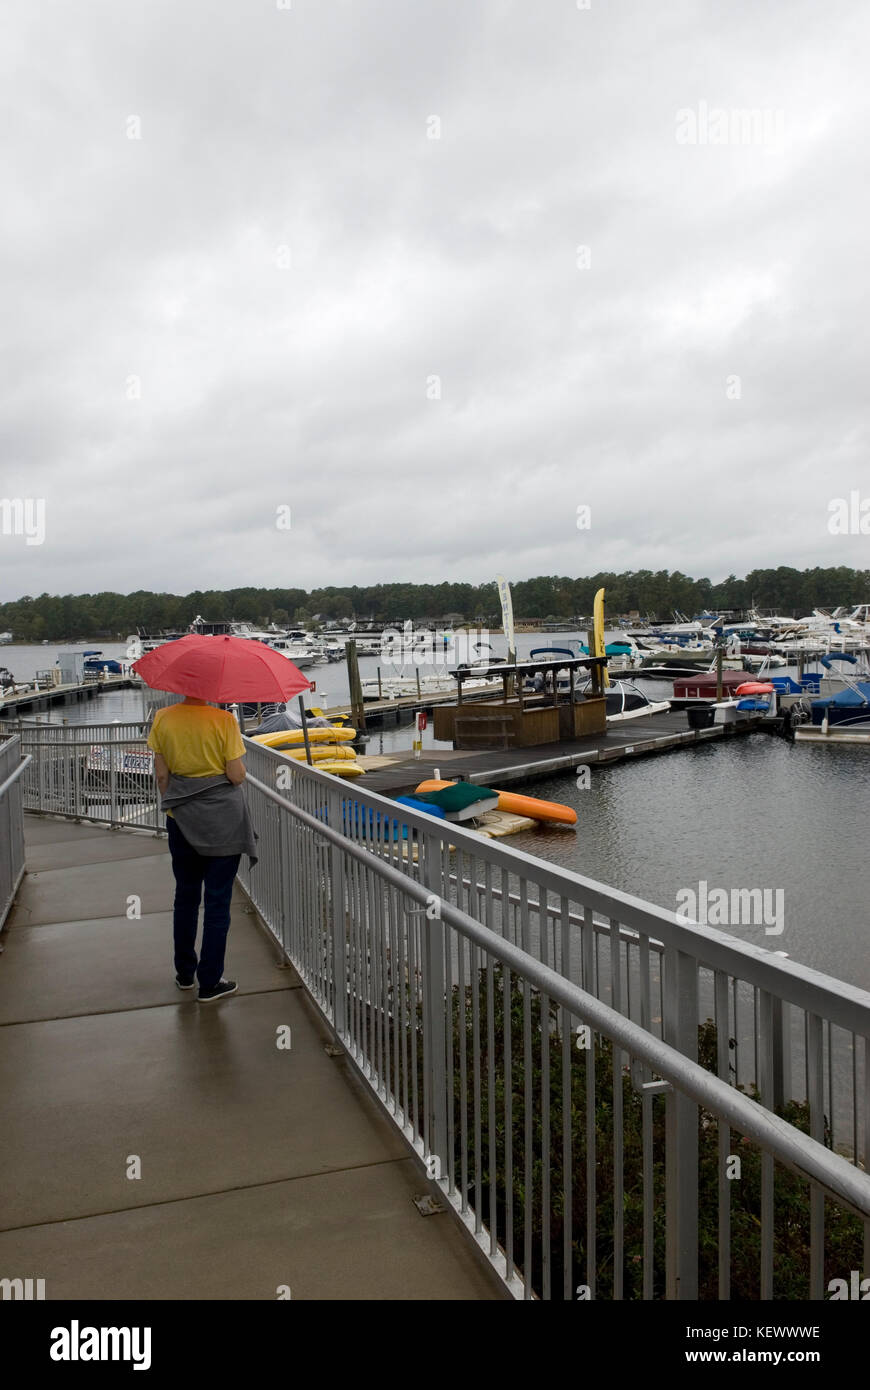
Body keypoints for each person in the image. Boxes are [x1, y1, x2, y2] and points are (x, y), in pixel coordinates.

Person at [147, 697, 257, 1003]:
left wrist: (180, 803)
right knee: (218, 901)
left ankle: (185, 974)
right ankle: (210, 983)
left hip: (180, 820)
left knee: (185, 896)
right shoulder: (223, 721)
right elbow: (236, 775)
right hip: (222, 821)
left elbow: (162, 776)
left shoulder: (163, 718)